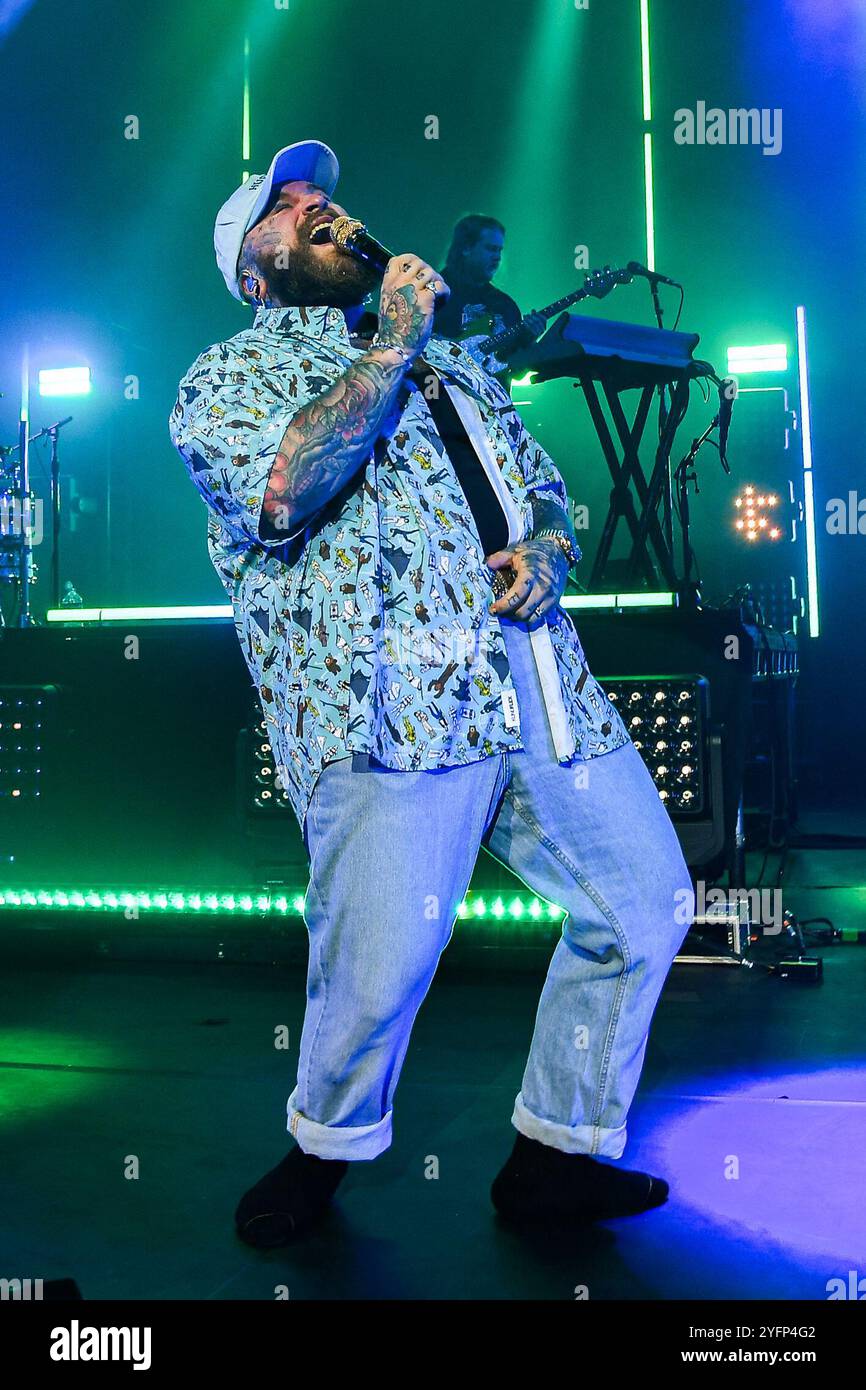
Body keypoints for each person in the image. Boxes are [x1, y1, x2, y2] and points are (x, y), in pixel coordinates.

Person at [169, 140, 692, 1249]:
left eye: (325, 195)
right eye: (286, 207)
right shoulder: (228, 374)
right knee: (378, 964)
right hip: (389, 702)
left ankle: (557, 1150)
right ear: (251, 271)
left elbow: (547, 494)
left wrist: (549, 550)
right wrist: (397, 341)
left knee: (643, 901)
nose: (319, 207)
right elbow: (282, 492)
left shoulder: (461, 368)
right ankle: (321, 1146)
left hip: (537, 680)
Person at [433, 213, 546, 368]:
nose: (497, 257)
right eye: (491, 249)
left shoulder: (506, 306)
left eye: (499, 250)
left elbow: (517, 372)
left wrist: (528, 339)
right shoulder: (432, 291)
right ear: (466, 248)